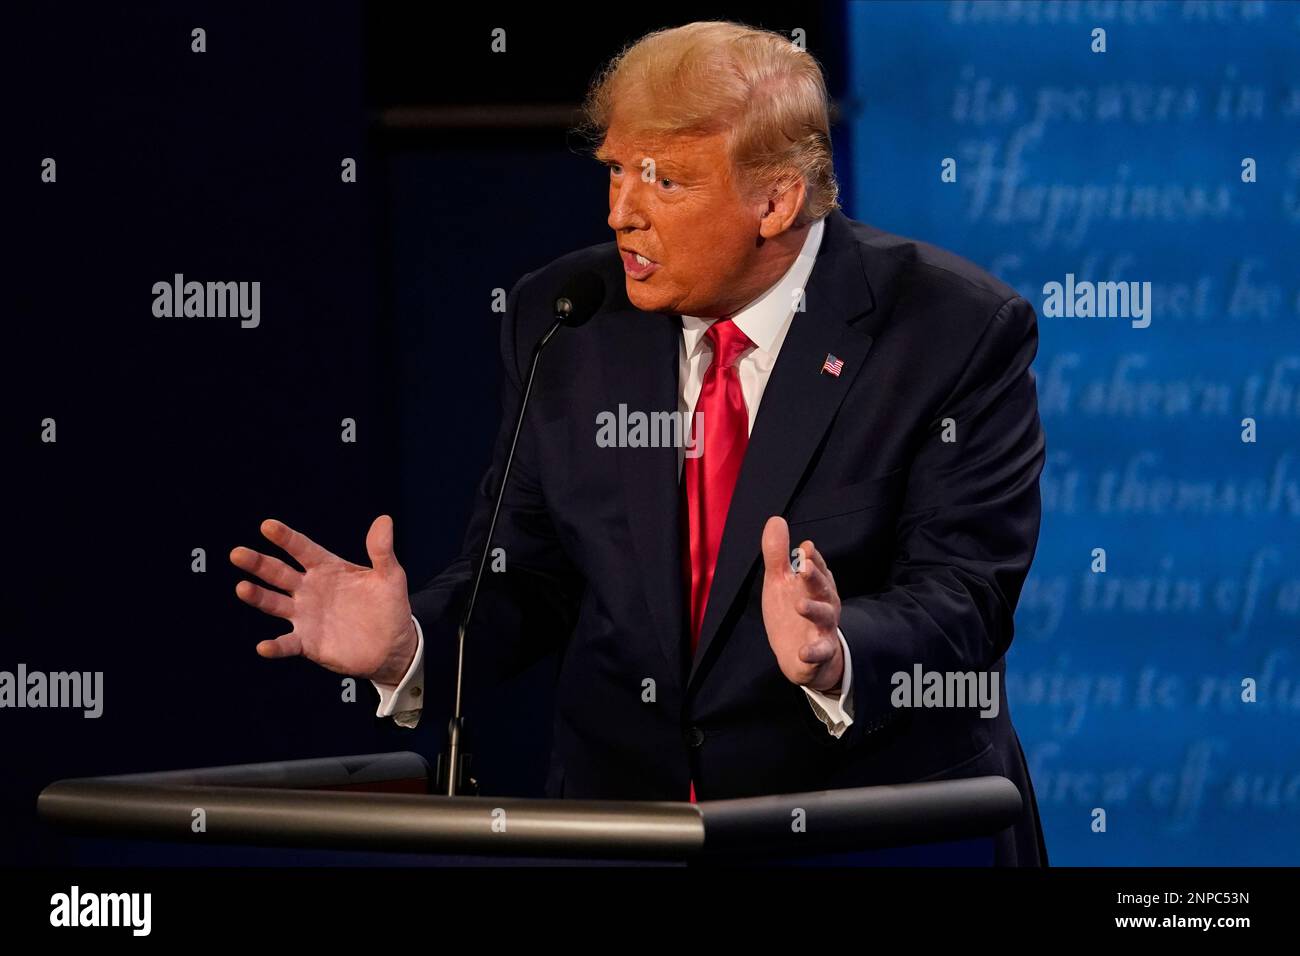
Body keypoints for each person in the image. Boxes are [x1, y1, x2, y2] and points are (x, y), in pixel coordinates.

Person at [230, 20, 1048, 865]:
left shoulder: (950, 330)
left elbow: (965, 597)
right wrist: (417, 645)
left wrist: (837, 648)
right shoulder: (568, 318)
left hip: (864, 833)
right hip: (623, 834)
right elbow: (525, 573)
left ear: (775, 200)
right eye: (617, 170)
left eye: (664, 180)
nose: (622, 211)